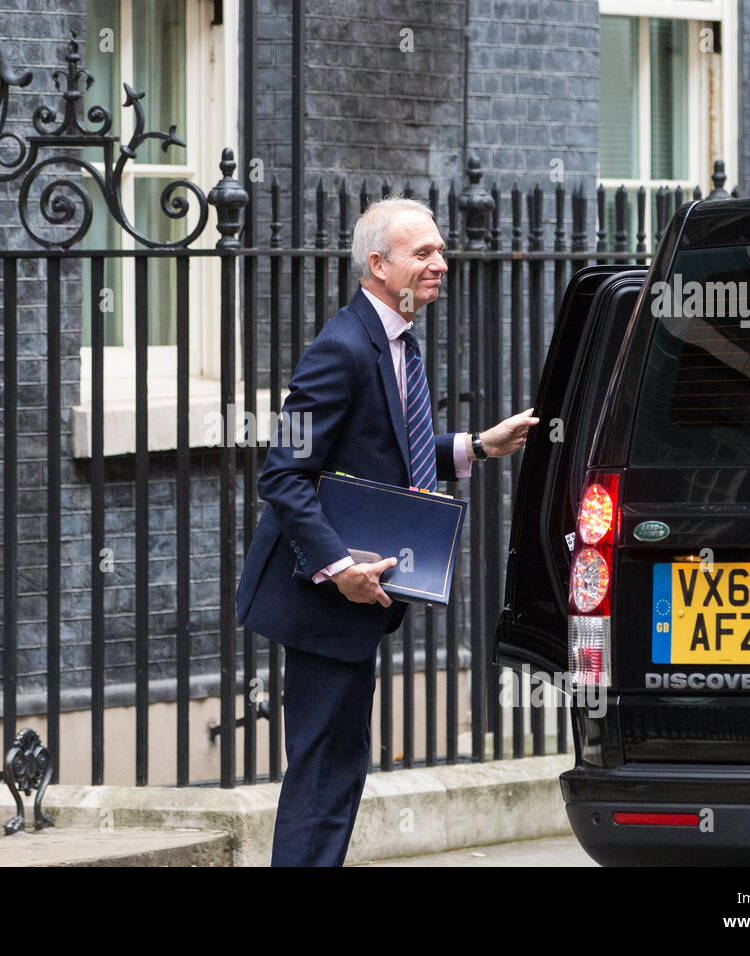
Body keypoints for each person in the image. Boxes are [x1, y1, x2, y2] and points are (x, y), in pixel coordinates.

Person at [235, 197, 537, 867]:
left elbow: (389, 453)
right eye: (423, 253)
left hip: (354, 601)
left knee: (338, 772)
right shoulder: (338, 349)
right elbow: (282, 472)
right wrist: (339, 567)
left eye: (440, 250)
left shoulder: (394, 340)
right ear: (379, 264)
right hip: (324, 600)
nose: (441, 264)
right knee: (321, 778)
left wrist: (478, 447)